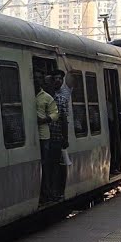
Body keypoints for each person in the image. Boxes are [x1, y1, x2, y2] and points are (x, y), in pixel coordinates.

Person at [36, 76, 60, 203]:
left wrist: (45, 120)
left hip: (44, 135)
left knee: (45, 164)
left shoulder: (46, 97)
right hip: (30, 136)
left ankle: (46, 192)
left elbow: (55, 114)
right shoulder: (26, 93)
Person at [50, 70, 70, 200]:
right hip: (46, 137)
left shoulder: (62, 99)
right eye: (56, 78)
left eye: (60, 79)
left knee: (58, 165)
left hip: (57, 137)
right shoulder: (46, 97)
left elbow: (64, 120)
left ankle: (57, 191)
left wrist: (65, 137)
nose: (58, 81)